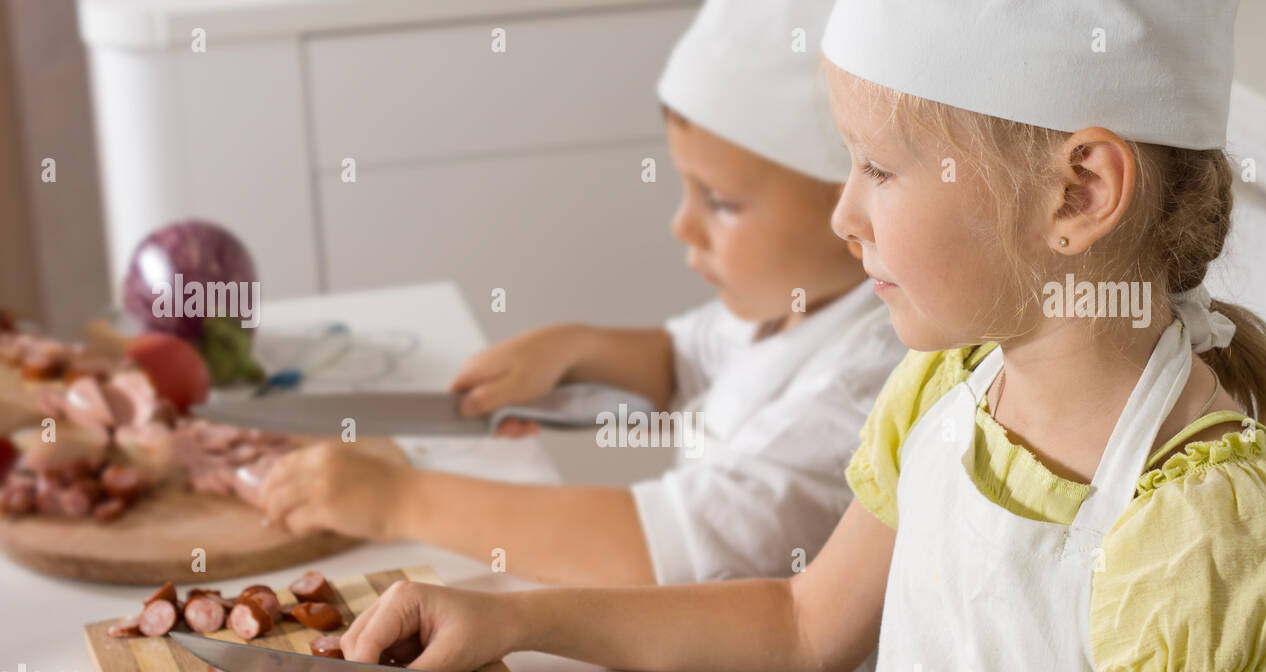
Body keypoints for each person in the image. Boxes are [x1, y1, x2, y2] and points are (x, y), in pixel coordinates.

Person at [346, 0, 1266, 672]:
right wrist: (515, 616)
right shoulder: (945, 386)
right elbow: (806, 622)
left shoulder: (1197, 532)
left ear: (1079, 192)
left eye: (878, 167)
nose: (845, 213)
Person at [256, 0, 904, 592]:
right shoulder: (797, 304)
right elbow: (690, 355)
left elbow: (665, 547)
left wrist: (402, 500)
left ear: (854, 207)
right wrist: (577, 349)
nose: (681, 224)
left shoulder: (869, 379)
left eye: (723, 202)